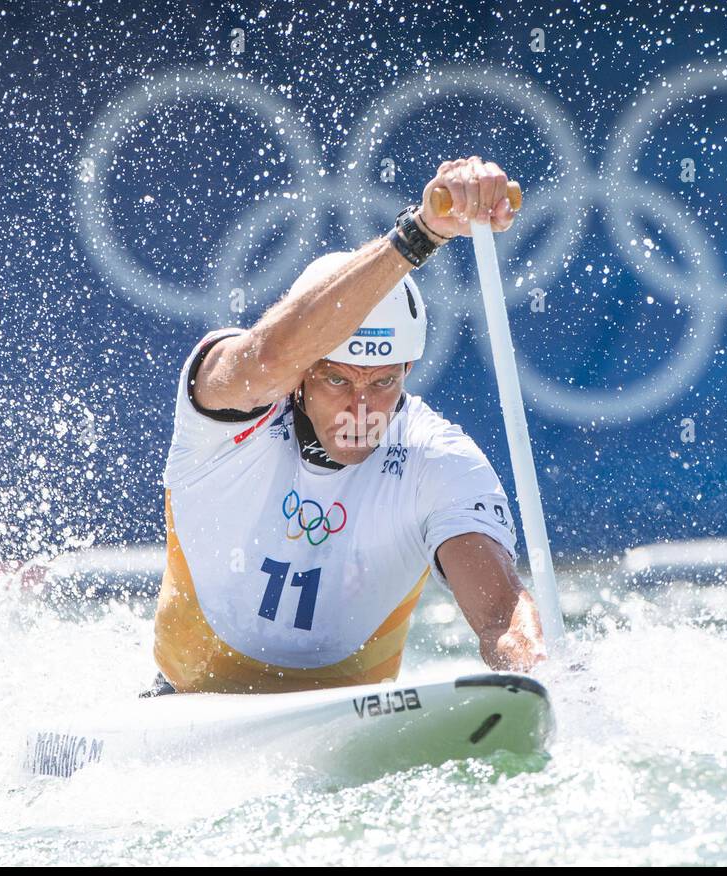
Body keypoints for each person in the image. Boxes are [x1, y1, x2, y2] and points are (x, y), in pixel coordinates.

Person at [142, 156, 548, 697]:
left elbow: (501, 614)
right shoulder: (223, 411)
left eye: (382, 383)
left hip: (351, 724)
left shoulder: (439, 460)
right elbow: (265, 359)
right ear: (300, 376)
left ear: (408, 371)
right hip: (184, 702)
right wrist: (422, 233)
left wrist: (540, 680)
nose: (361, 409)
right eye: (337, 381)